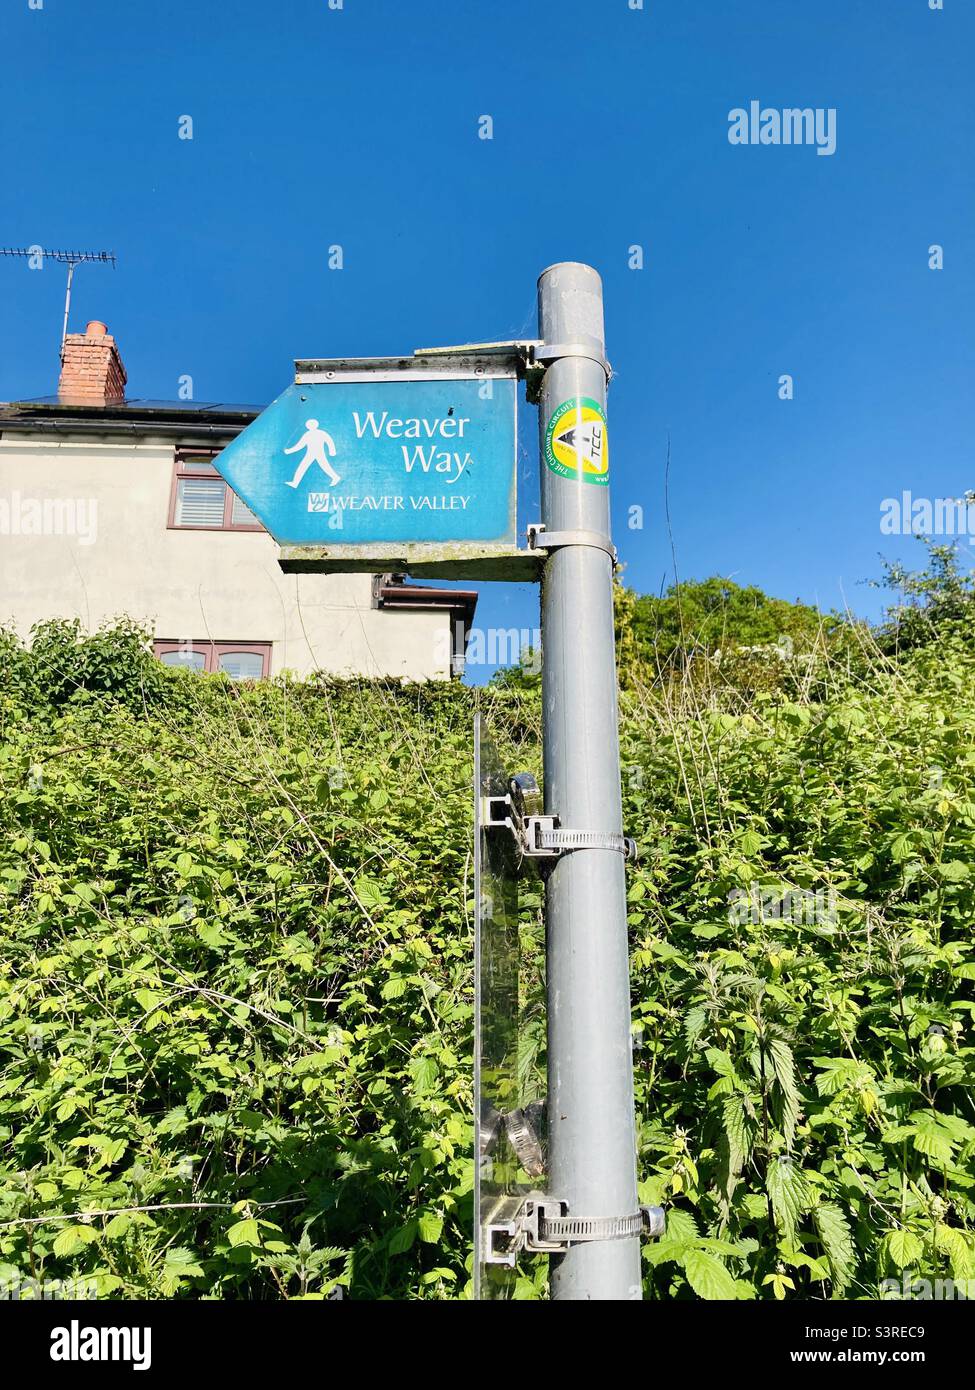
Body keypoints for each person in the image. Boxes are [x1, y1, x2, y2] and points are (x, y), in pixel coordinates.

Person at [284, 419, 341, 487]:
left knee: (324, 466)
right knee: (303, 467)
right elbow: (300, 445)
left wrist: (332, 451)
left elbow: (329, 441)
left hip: (318, 453)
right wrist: (289, 451)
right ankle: (295, 483)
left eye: (310, 425)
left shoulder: (319, 433)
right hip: (311, 454)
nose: (309, 426)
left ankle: (335, 477)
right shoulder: (309, 434)